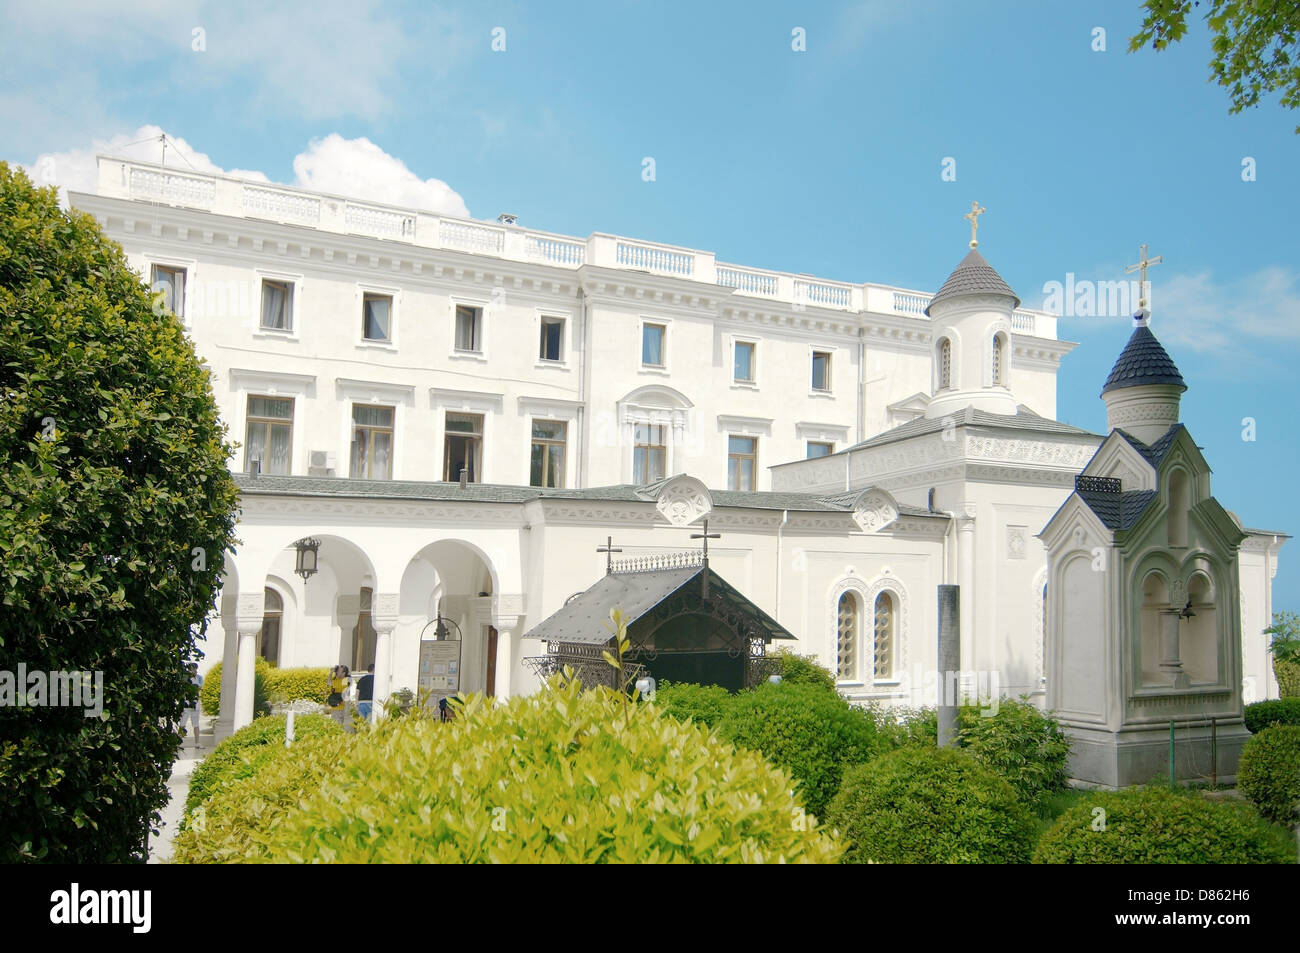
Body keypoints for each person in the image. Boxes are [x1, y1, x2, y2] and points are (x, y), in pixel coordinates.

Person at [183, 663, 203, 750]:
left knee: (196, 724)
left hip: (196, 703)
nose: (194, 670)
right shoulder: (185, 678)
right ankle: (177, 742)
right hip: (187, 703)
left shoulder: (199, 678)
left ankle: (197, 743)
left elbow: (199, 688)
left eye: (195, 668)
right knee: (182, 723)